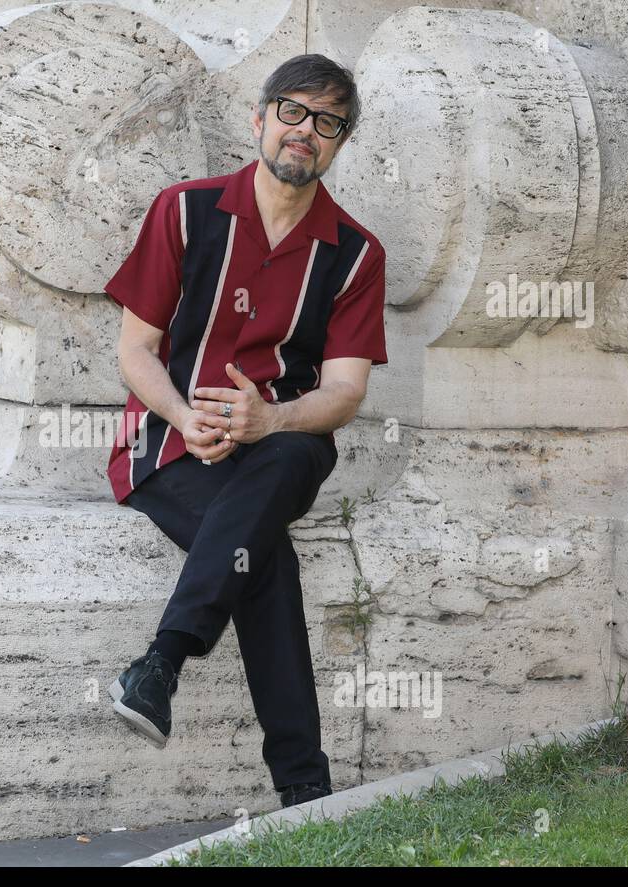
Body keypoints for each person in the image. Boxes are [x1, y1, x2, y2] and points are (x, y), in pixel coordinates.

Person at [102, 53, 388, 810]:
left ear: (340, 143)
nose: (307, 132)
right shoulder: (185, 210)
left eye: (328, 123)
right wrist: (183, 414)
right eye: (293, 113)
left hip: (277, 451)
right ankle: (304, 790)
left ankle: (162, 662)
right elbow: (135, 348)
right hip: (169, 448)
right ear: (260, 120)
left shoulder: (356, 254)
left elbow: (346, 391)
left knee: (298, 445)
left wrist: (270, 417)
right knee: (264, 560)